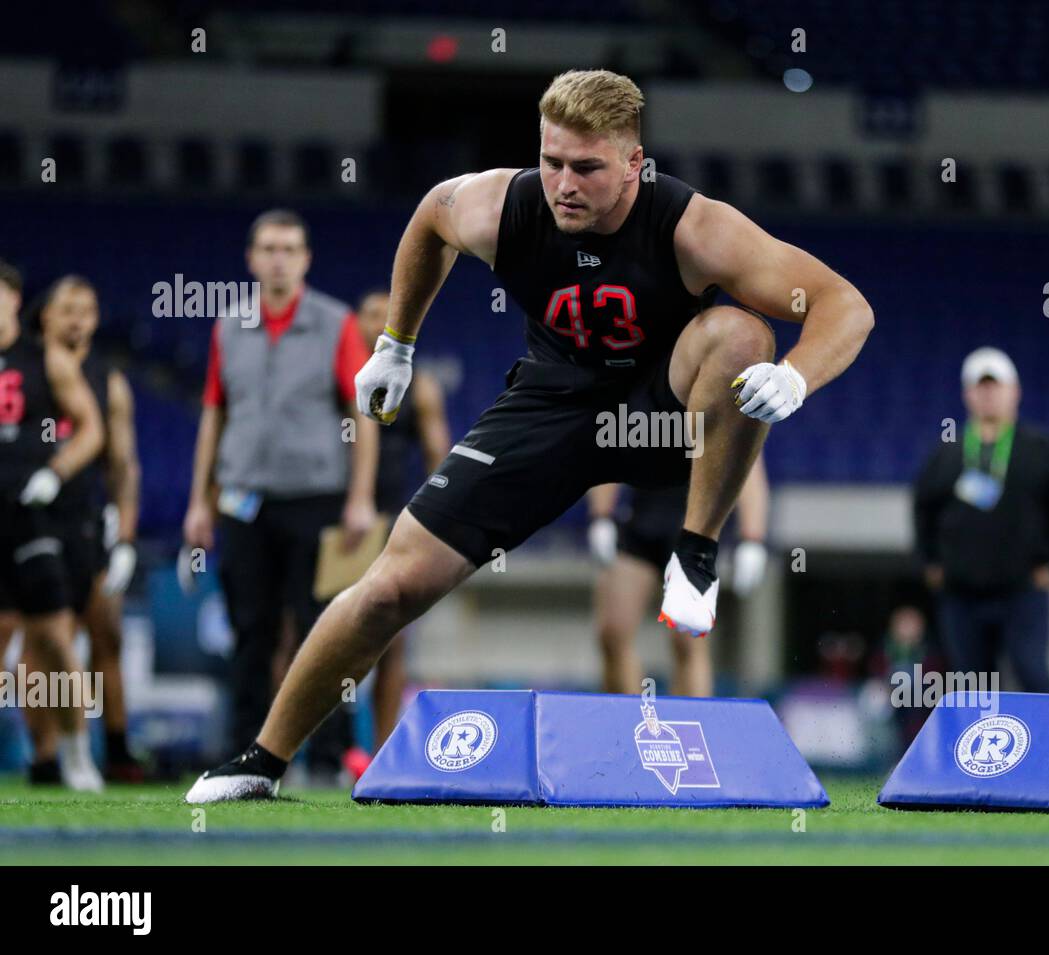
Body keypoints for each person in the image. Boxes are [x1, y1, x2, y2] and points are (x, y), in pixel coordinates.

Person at [186, 69, 873, 803]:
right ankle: (261, 758)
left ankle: (695, 551)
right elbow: (429, 218)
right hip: (550, 405)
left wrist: (797, 376)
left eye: (586, 167)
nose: (563, 185)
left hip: (661, 411)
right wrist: (397, 343)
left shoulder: (693, 226)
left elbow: (843, 303)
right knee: (390, 586)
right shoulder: (502, 206)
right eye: (550, 162)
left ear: (636, 165)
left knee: (742, 335)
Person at [181, 210, 379, 776]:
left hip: (318, 498)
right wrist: (200, 501)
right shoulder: (229, 326)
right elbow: (213, 416)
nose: (278, 259)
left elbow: (361, 413)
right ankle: (246, 752)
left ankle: (327, 753)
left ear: (306, 258)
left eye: (290, 249)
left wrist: (359, 498)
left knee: (324, 629)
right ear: (251, 258)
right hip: (243, 498)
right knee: (250, 629)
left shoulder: (334, 321)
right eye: (268, 248)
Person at [19, 276, 145, 783]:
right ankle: (45, 757)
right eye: (67, 309)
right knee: (41, 639)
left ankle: (116, 750)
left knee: (106, 632)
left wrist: (126, 538)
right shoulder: (22, 372)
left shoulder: (107, 380)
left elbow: (123, 465)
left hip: (84, 522)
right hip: (27, 519)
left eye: (87, 310)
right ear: (43, 316)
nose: (77, 319)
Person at [912, 347, 1049, 694]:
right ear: (967, 394)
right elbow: (923, 509)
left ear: (1014, 392)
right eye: (980, 386)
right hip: (961, 592)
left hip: (1022, 589)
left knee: (1031, 671)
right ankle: (979, 748)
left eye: (996, 386)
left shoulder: (1041, 448)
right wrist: (930, 563)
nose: (988, 394)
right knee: (970, 684)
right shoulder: (948, 452)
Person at [0, 259, 105, 790]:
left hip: (29, 513)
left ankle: (75, 750)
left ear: (16, 299)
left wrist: (53, 471)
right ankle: (34, 751)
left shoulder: (46, 360)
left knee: (54, 636)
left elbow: (91, 429)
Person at [354, 289, 451, 750]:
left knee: (391, 640)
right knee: (313, 630)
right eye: (369, 316)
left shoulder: (421, 385)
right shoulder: (338, 378)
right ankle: (321, 751)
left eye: (385, 316)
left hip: (391, 522)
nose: (377, 324)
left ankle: (379, 750)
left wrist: (437, 519)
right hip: (333, 521)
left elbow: (439, 456)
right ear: (355, 323)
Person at [587, 455, 769, 697]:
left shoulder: (719, 415)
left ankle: (689, 726)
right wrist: (601, 516)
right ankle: (628, 721)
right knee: (612, 633)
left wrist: (752, 538)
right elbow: (610, 447)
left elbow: (747, 460)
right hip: (640, 523)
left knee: (688, 640)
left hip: (695, 530)